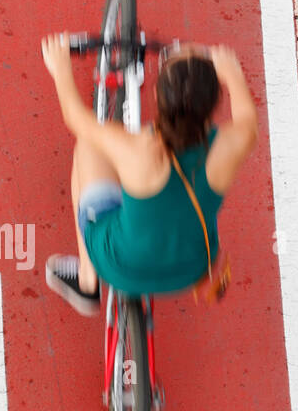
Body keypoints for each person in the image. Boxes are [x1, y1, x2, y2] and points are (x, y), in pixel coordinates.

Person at [42, 33, 258, 313]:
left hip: (118, 263)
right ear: (216, 101)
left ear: (157, 95)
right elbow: (248, 121)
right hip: (192, 270)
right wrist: (233, 73)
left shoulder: (135, 147)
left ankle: (87, 279)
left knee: (88, 146)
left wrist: (61, 70)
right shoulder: (232, 144)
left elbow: (75, 118)